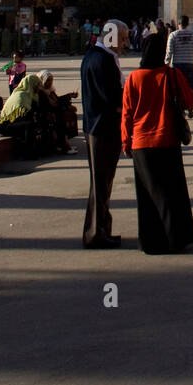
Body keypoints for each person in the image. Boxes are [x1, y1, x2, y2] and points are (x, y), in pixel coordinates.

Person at [121, 37, 193, 255]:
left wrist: (126, 142)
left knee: (147, 196)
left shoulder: (134, 78)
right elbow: (189, 100)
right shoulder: (171, 75)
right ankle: (176, 238)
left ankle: (151, 242)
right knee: (173, 192)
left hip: (141, 144)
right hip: (168, 140)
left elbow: (127, 114)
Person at [80, 20, 126, 248]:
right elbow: (111, 98)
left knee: (102, 183)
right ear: (112, 37)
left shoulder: (93, 55)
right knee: (101, 184)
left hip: (95, 127)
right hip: (104, 129)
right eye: (123, 37)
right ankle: (96, 234)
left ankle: (101, 230)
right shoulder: (104, 60)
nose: (125, 42)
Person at [0, 73, 45, 154]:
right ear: (31, 84)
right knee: (29, 125)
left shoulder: (30, 95)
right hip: (6, 126)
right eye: (37, 85)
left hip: (15, 123)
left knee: (33, 124)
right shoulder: (21, 95)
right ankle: (28, 153)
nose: (39, 88)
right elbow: (22, 114)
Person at [37, 70, 77, 152]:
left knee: (70, 113)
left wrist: (69, 95)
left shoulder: (50, 90)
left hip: (54, 111)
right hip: (45, 114)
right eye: (48, 80)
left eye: (51, 80)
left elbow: (57, 100)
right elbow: (49, 105)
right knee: (62, 117)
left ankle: (64, 142)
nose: (50, 82)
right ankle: (64, 145)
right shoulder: (41, 91)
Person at [165, 14, 193, 97]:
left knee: (176, 86)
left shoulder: (173, 35)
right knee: (191, 86)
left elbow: (169, 51)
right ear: (188, 24)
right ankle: (190, 106)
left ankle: (178, 104)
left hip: (176, 65)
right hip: (188, 64)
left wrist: (167, 63)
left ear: (178, 23)